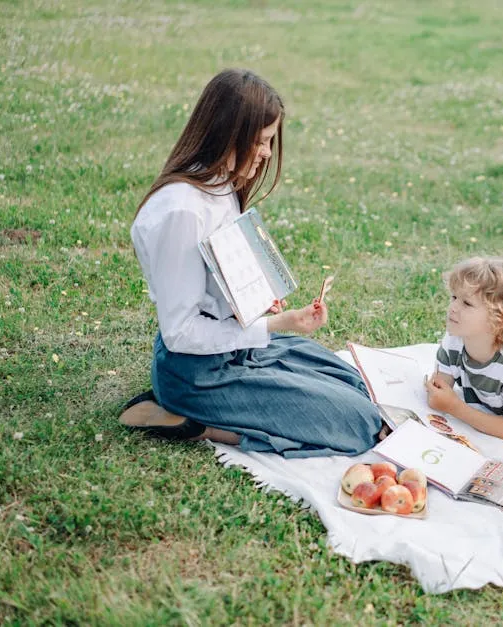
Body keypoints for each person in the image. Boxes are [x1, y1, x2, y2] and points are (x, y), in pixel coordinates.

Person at [120, 69, 383, 457]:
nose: (266, 153)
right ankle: (198, 425)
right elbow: (180, 333)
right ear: (226, 134)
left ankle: (224, 408)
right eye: (259, 142)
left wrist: (256, 300)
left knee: (350, 381)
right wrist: (275, 325)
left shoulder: (221, 183)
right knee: (359, 422)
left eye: (269, 141)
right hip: (198, 375)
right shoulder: (182, 211)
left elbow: (218, 285)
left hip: (235, 351)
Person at [424, 257, 503, 443]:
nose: (453, 308)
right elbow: (440, 391)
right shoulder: (455, 339)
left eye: (467, 303)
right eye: (454, 297)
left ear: (500, 319)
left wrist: (456, 407)